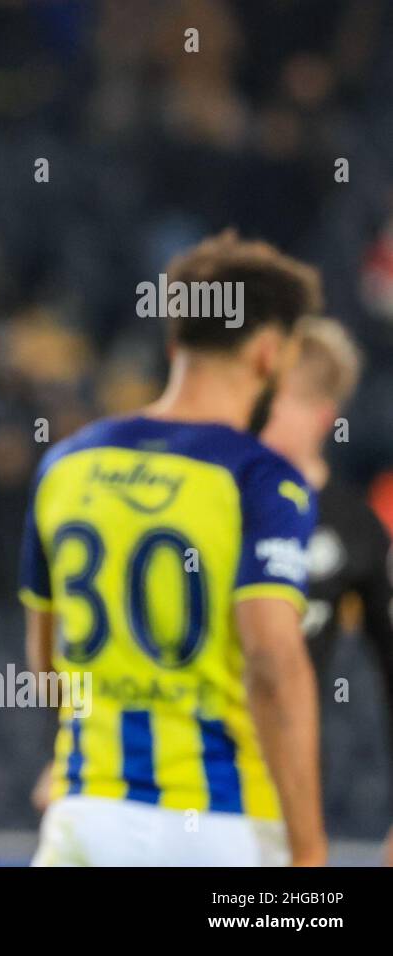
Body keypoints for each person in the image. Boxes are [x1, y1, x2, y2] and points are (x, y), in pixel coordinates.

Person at [20, 231, 326, 865]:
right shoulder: (260, 478)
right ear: (270, 354)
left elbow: (45, 668)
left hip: (84, 814)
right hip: (217, 823)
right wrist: (308, 851)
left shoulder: (66, 463)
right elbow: (273, 660)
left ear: (174, 341)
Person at [260, 317, 393, 865]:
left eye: (279, 400)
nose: (259, 414)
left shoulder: (356, 530)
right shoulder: (212, 498)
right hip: (179, 770)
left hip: (282, 778)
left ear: (323, 414)